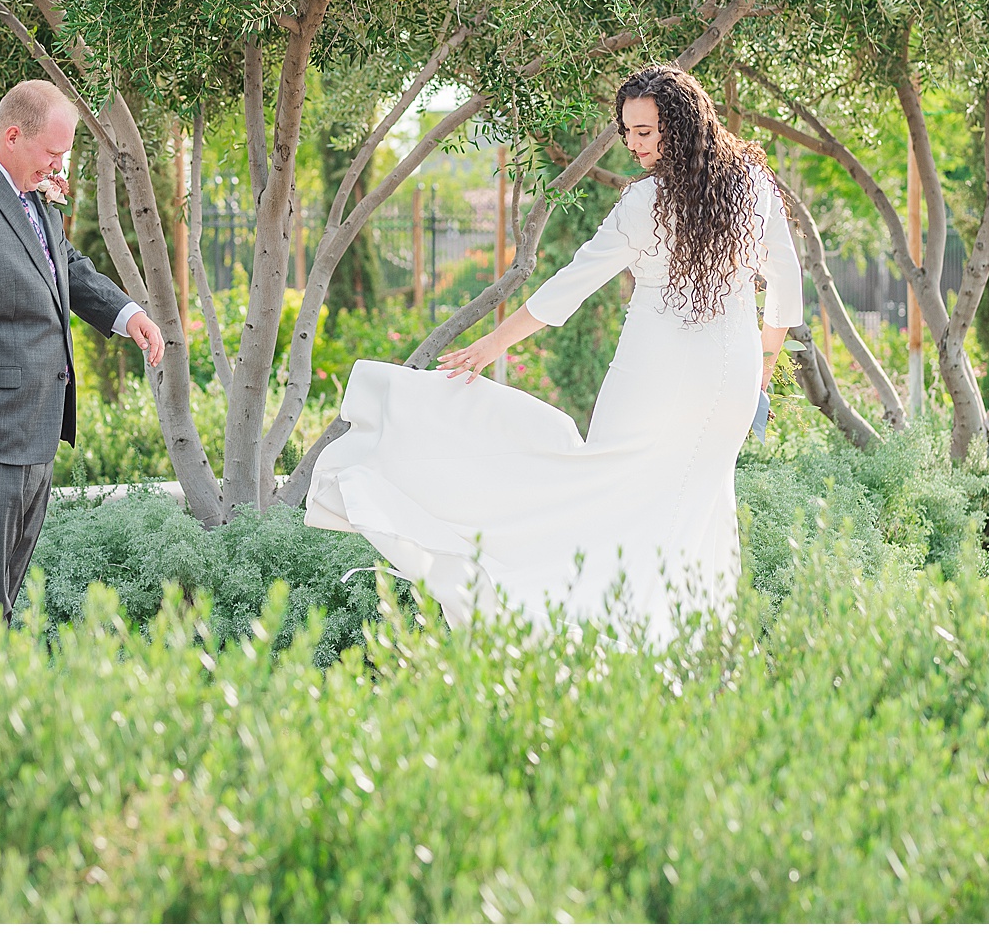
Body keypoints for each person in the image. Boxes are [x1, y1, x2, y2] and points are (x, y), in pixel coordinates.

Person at [304, 64, 801, 639]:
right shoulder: (752, 187)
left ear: (682, 126)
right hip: (731, 377)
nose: (634, 145)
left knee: (609, 498)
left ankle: (594, 630)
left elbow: (568, 286)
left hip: (655, 377)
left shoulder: (645, 205)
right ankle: (685, 641)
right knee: (697, 504)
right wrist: (762, 365)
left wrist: (491, 344)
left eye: (646, 132)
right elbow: (786, 284)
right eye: (627, 131)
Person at [0, 79, 166, 625]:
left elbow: (61, 263)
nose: (57, 166)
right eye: (51, 153)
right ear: (14, 135)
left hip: (33, 420)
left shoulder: (28, 188)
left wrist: (126, 313)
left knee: (2, 586)